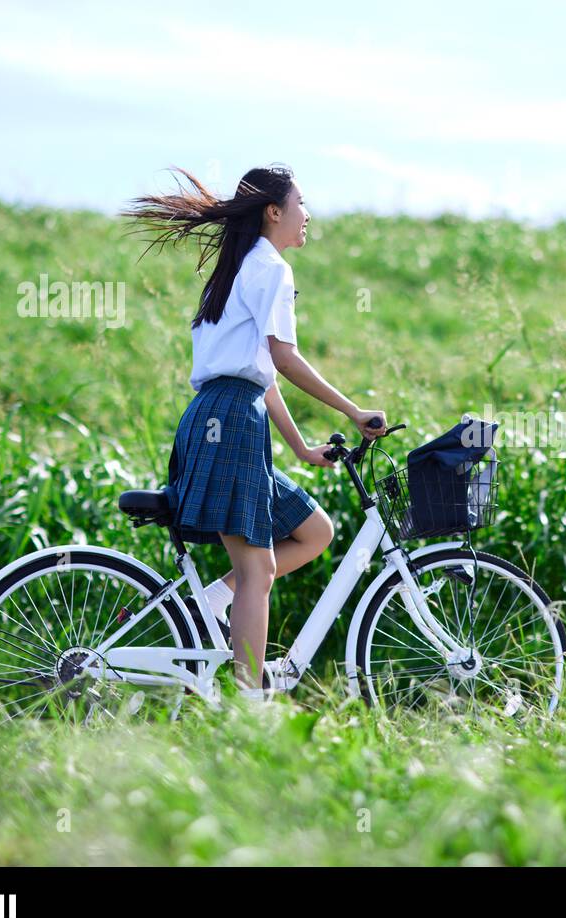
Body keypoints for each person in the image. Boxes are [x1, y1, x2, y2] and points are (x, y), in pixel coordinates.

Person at [125, 165, 387, 698]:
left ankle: (209, 608)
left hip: (225, 416)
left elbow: (261, 375)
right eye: (301, 203)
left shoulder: (237, 270)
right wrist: (353, 411)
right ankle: (249, 705)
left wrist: (300, 448)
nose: (307, 214)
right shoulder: (270, 269)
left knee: (314, 532)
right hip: (231, 421)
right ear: (274, 211)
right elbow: (283, 358)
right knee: (258, 572)